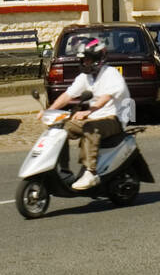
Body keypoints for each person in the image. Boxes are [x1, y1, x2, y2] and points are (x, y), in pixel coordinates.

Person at [45, 38, 134, 190]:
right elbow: (68, 95)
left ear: (98, 59)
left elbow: (106, 98)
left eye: (87, 59)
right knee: (59, 127)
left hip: (115, 118)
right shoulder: (86, 77)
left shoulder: (111, 74)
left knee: (90, 129)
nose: (84, 63)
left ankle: (90, 172)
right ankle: (64, 170)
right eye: (83, 60)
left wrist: (88, 111)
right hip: (95, 117)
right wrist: (50, 110)